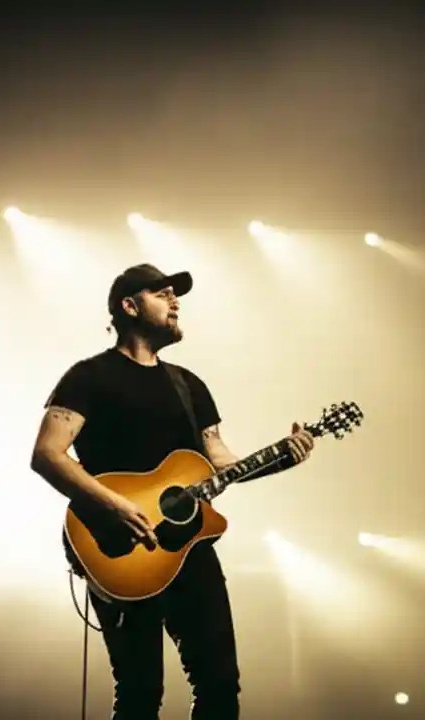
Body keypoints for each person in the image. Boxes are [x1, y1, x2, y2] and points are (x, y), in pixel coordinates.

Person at [30, 263, 315, 719]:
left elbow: (220, 462)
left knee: (220, 686)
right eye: (162, 294)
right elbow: (47, 453)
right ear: (129, 306)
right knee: (141, 693)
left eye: (175, 295)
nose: (176, 302)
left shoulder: (189, 385)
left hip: (189, 550)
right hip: (119, 547)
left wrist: (282, 455)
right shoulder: (88, 377)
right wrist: (115, 505)